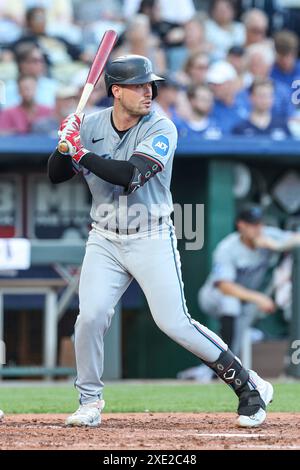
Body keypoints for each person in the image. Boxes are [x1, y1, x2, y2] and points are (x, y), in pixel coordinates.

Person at [48, 54, 273, 428]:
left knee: (175, 322)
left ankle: (249, 386)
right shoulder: (90, 124)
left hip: (151, 234)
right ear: (116, 91)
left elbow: (128, 176)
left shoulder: (162, 127)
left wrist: (81, 150)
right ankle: (89, 401)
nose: (148, 91)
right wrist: (64, 145)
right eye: (138, 85)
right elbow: (56, 175)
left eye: (150, 84)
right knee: (89, 317)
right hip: (104, 237)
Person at [199, 204, 300, 356]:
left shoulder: (267, 236)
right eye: (253, 224)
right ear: (241, 225)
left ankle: (220, 370)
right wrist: (259, 298)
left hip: (245, 299)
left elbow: (296, 238)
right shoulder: (227, 248)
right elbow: (225, 287)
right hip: (214, 296)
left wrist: (278, 246)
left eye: (259, 223)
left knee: (237, 340)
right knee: (230, 303)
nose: (258, 228)